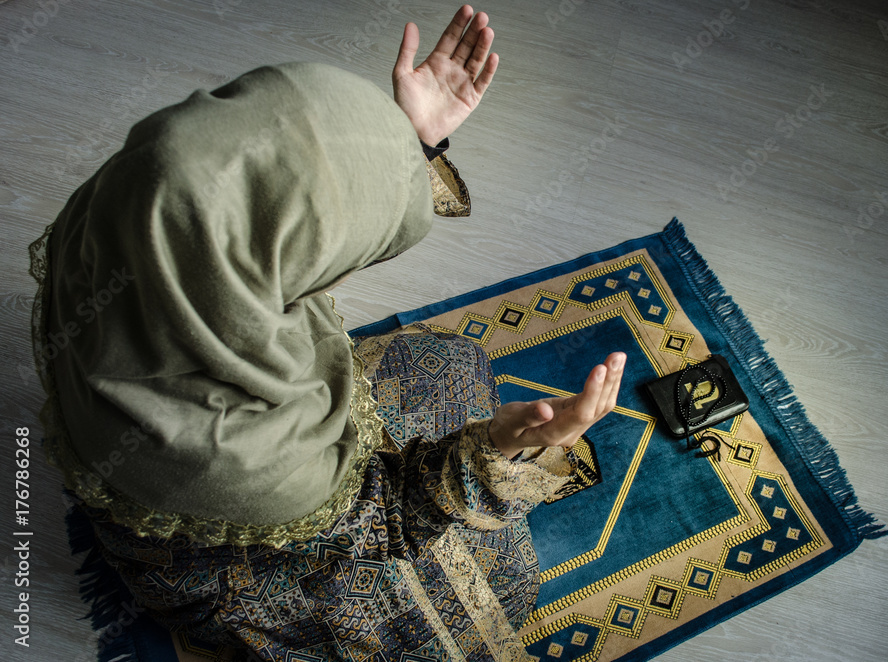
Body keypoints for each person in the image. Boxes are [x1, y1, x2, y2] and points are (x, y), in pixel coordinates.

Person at [28, 6, 626, 660]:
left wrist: (408, 140)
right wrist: (503, 453)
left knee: (445, 364)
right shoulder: (253, 466)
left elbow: (274, 181)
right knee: (498, 586)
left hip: (162, 443)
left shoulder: (119, 211)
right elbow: (389, 529)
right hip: (252, 565)